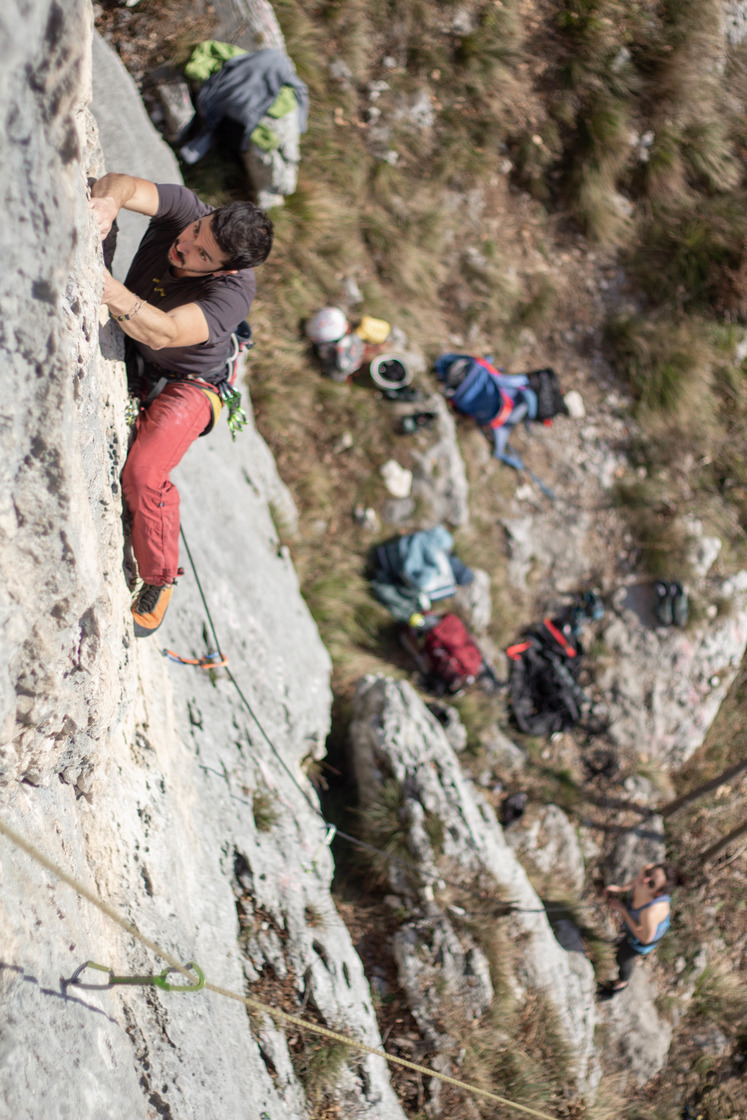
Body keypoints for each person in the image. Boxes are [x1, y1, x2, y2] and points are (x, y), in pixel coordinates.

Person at [89, 173, 273, 636]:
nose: (186, 245)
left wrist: (107, 289)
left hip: (193, 383)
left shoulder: (232, 293)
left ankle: (158, 579)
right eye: (197, 232)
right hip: (140, 351)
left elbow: (165, 332)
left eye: (203, 255)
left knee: (145, 472)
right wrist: (108, 204)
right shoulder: (188, 210)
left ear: (224, 269)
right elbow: (119, 184)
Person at [599, 861, 675, 997]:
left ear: (657, 893)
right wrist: (619, 889)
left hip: (643, 938)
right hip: (638, 925)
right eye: (649, 874)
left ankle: (622, 982)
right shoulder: (644, 881)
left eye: (652, 883)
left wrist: (623, 911)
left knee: (622, 957)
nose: (645, 879)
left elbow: (646, 938)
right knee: (621, 944)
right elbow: (641, 874)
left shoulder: (651, 912)